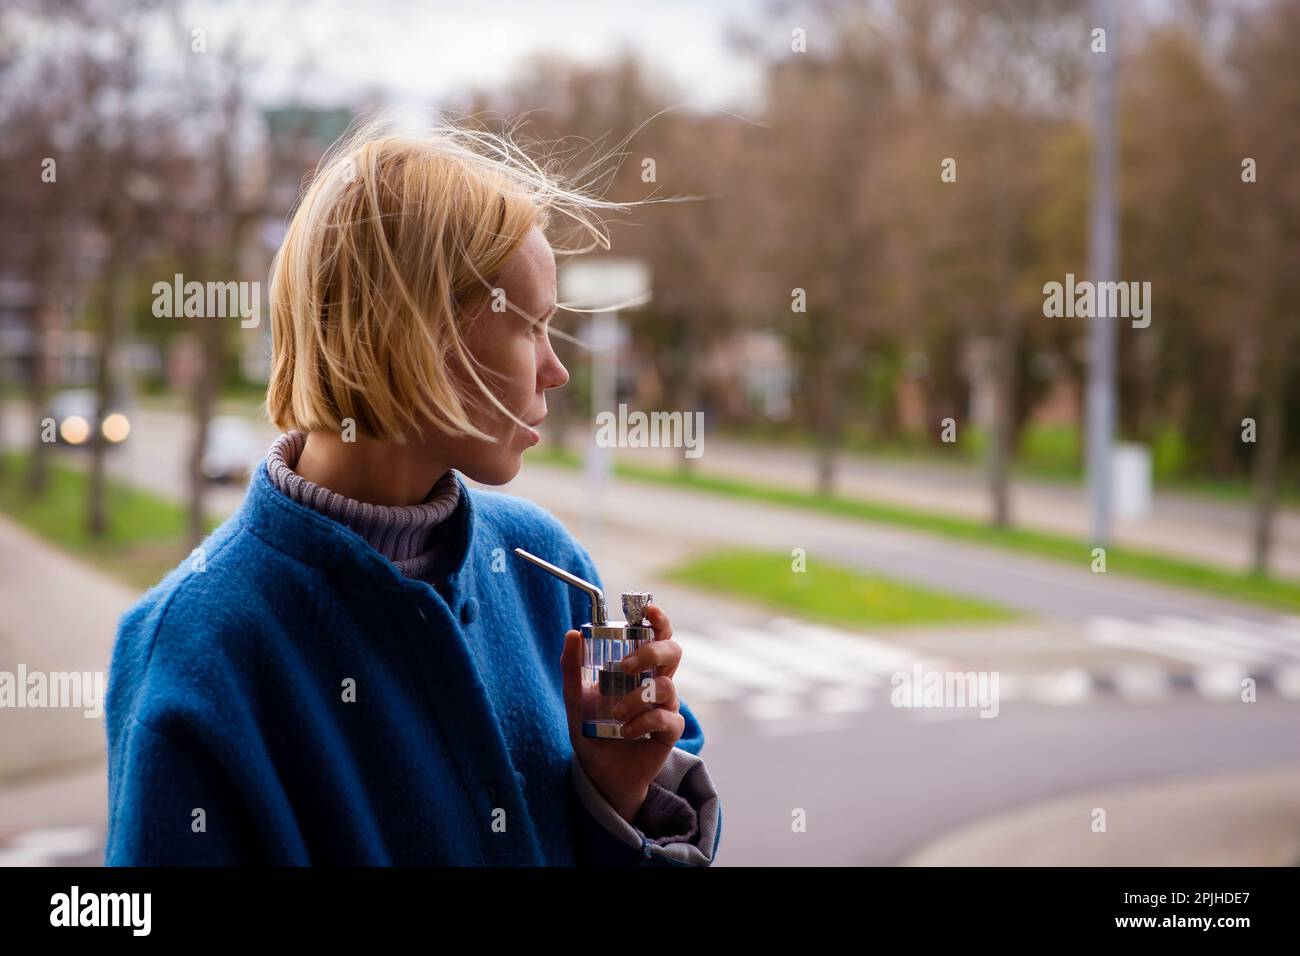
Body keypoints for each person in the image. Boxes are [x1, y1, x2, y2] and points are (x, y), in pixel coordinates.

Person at [103, 115, 722, 866]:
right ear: (419, 332)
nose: (555, 371)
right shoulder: (198, 646)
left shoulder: (544, 568)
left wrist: (616, 797)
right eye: (532, 327)